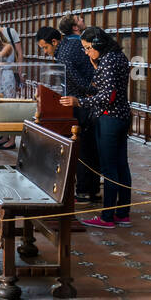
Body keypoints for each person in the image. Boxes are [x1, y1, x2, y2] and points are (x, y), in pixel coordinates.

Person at [61, 26, 131, 229]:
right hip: (121, 116)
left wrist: (78, 102)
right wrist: (93, 63)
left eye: (88, 48)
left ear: (98, 44)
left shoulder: (108, 61)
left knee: (109, 168)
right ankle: (122, 213)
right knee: (121, 166)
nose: (86, 52)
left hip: (109, 118)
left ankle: (107, 217)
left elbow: (106, 97)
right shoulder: (118, 56)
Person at [49, 15, 101, 203]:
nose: (83, 19)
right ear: (75, 28)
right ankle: (86, 189)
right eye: (79, 19)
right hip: (79, 101)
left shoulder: (70, 45)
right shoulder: (73, 45)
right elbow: (70, 73)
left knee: (87, 145)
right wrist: (90, 89)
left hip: (83, 99)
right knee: (86, 146)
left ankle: (89, 188)